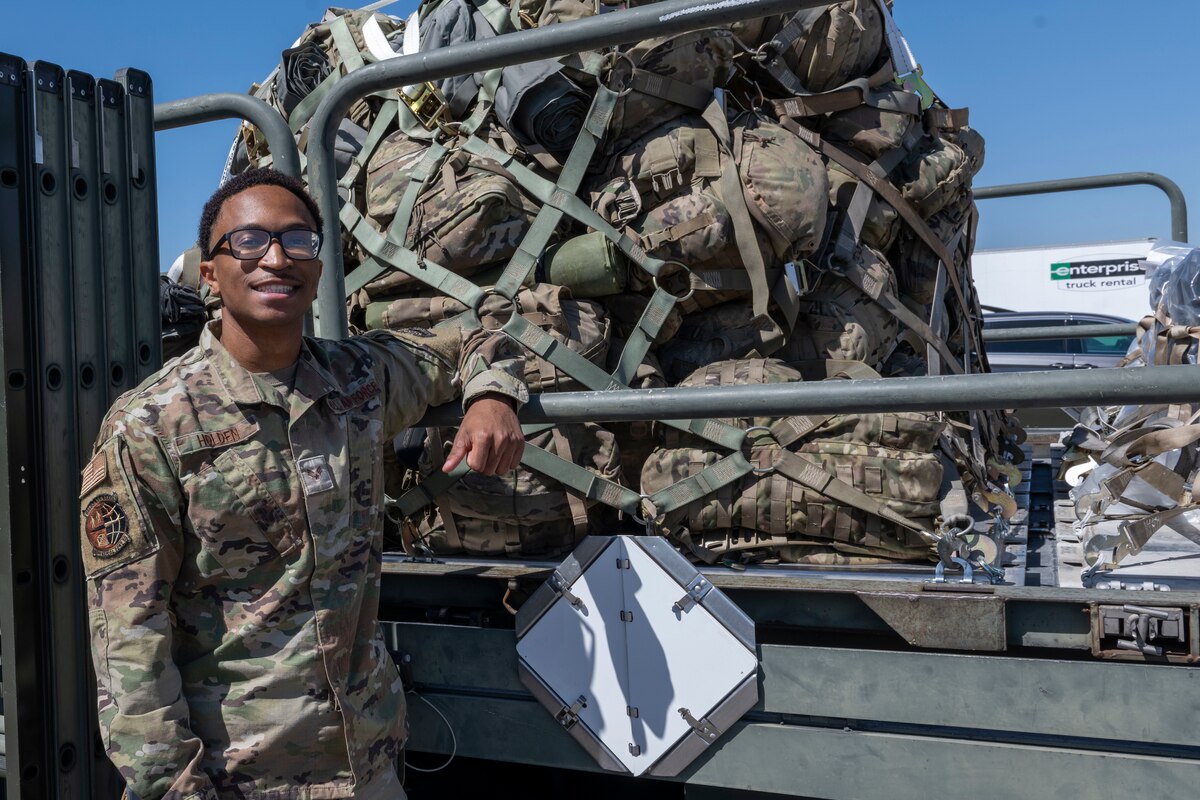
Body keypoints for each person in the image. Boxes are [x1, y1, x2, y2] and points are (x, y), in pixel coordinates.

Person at [80, 167, 527, 799]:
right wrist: (172, 789)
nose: (276, 258)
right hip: (237, 778)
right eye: (249, 241)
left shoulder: (359, 380)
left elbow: (475, 339)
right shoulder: (150, 425)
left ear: (317, 270)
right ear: (210, 273)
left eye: (298, 241)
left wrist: (490, 398)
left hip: (365, 761)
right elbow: (129, 639)